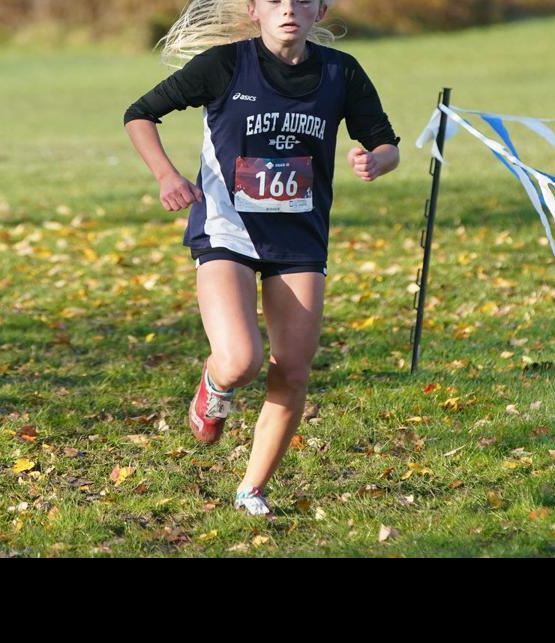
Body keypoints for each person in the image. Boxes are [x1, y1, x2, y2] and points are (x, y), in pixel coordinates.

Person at [123, 0, 399, 516]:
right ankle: (214, 385)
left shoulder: (340, 71)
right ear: (254, 10)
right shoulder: (226, 64)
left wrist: (374, 161)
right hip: (227, 228)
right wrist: (167, 175)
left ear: (320, 10)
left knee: (292, 371)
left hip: (299, 238)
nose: (288, 9)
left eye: (301, 0)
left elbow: (386, 144)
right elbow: (139, 115)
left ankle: (252, 489)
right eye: (274, 0)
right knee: (240, 361)